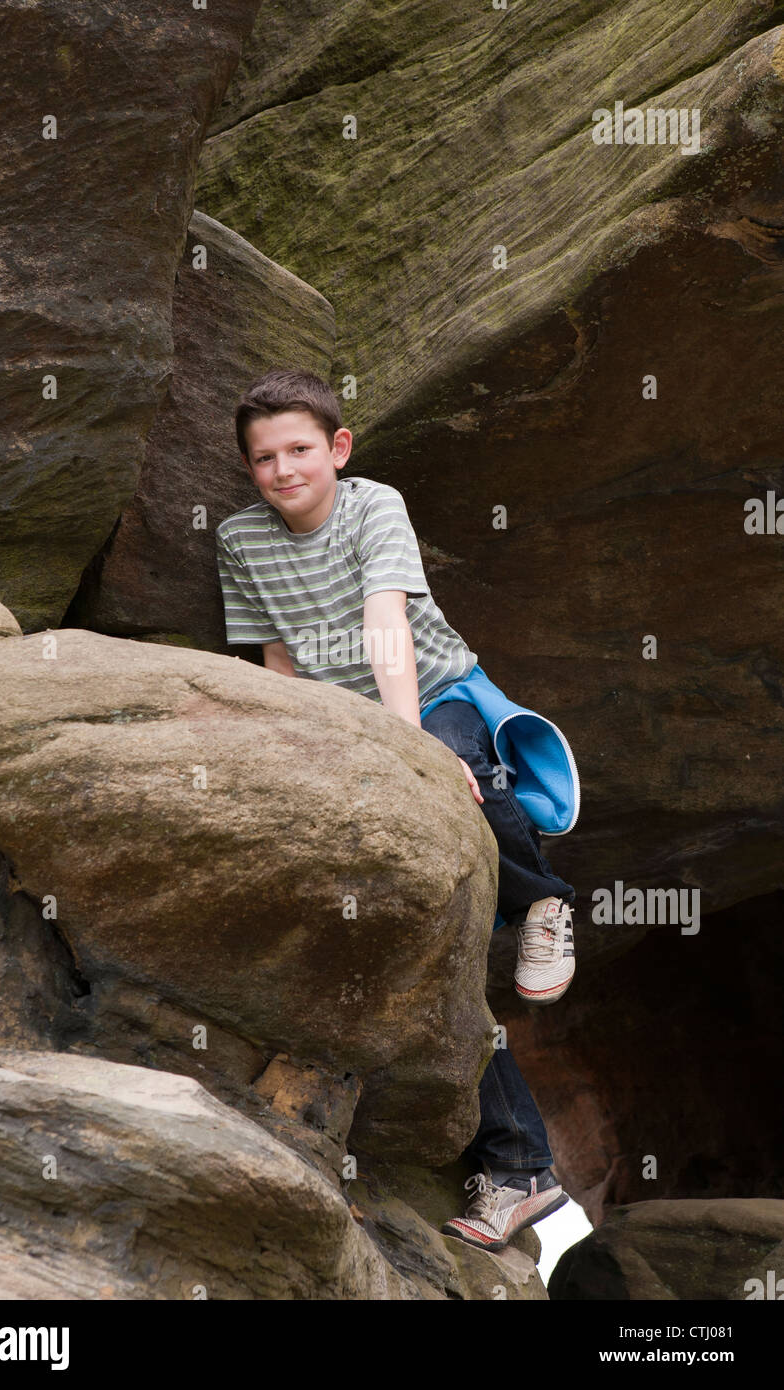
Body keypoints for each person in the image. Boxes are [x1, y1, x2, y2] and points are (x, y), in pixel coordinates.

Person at [215, 368, 579, 1252]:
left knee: (461, 767)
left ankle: (539, 900)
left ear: (337, 449)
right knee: (429, 961)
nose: (282, 469)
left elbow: (387, 625)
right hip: (338, 724)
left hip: (431, 693)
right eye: (264, 458)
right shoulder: (238, 538)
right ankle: (521, 1167)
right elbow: (276, 662)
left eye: (299, 449)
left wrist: (408, 748)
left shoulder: (374, 504)